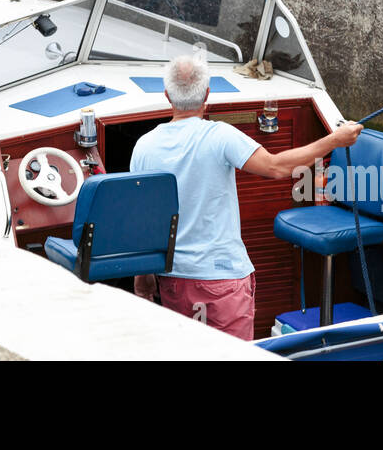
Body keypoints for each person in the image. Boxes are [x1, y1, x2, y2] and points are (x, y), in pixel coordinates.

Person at [130, 53, 363, 340]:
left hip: (174, 281)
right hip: (224, 280)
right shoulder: (221, 136)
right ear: (207, 95)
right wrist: (334, 141)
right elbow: (276, 167)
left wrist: (143, 278)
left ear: (167, 96)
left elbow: (143, 222)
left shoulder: (143, 147)